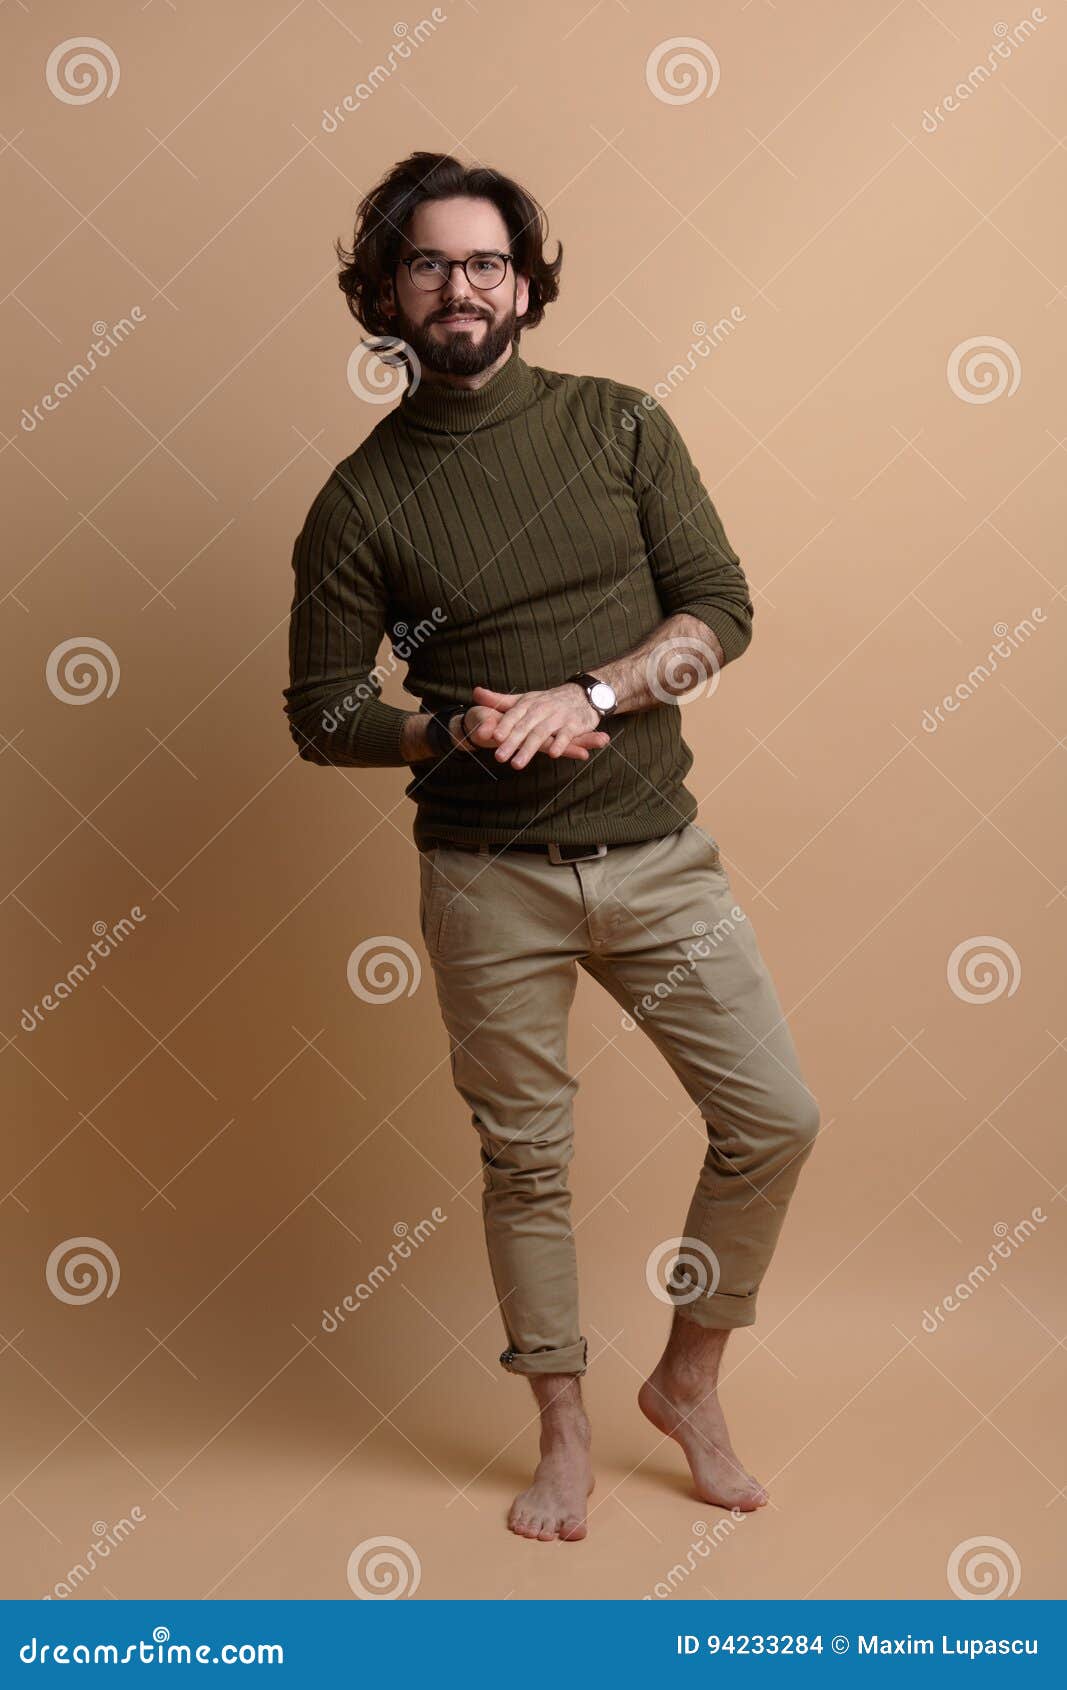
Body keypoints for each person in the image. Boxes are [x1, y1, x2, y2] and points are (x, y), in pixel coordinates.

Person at [283, 152, 820, 1543]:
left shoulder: (620, 427)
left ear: (525, 282)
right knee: (527, 1163)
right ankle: (565, 1426)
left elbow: (721, 607)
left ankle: (687, 1381)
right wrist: (455, 727)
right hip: (485, 880)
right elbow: (325, 711)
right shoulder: (360, 501)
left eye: (483, 262)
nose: (458, 287)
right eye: (426, 265)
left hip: (657, 856)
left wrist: (592, 695)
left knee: (774, 1116)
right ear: (384, 294)